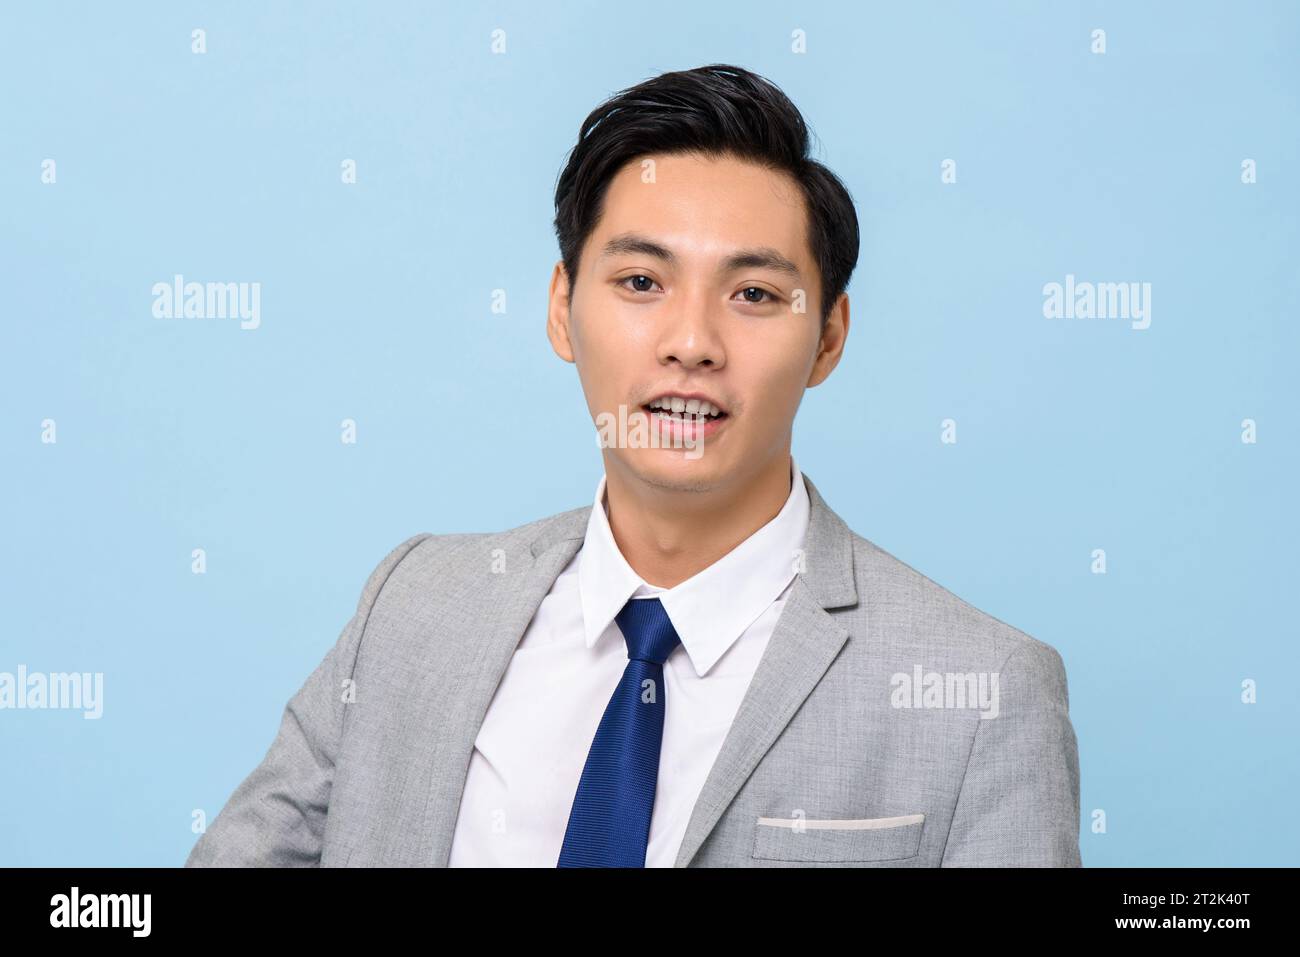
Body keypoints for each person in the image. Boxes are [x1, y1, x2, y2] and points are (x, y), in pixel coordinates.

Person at [187, 63, 1080, 868]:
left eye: (755, 295)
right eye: (642, 282)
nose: (692, 343)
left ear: (829, 338)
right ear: (562, 310)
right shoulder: (413, 607)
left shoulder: (985, 693)